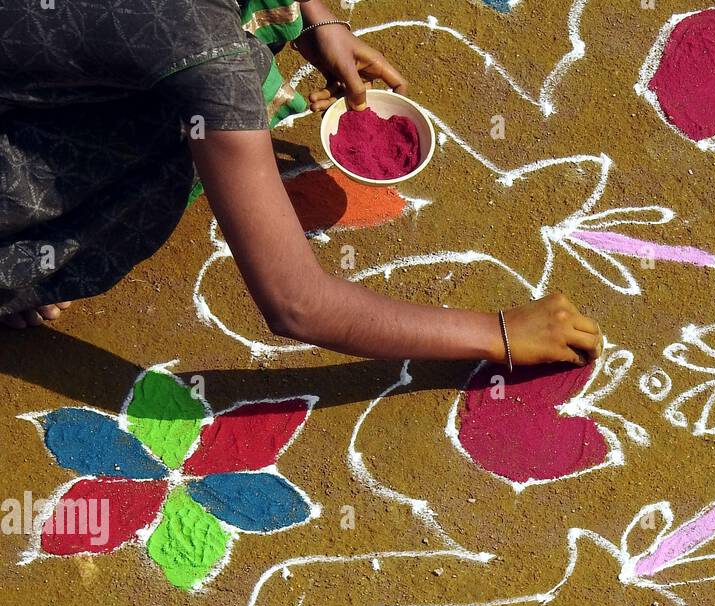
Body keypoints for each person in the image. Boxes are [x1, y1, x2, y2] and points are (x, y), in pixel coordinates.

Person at [0, 0, 601, 367]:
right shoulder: (211, 60)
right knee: (191, 136)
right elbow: (296, 305)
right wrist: (497, 333)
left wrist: (318, 21)